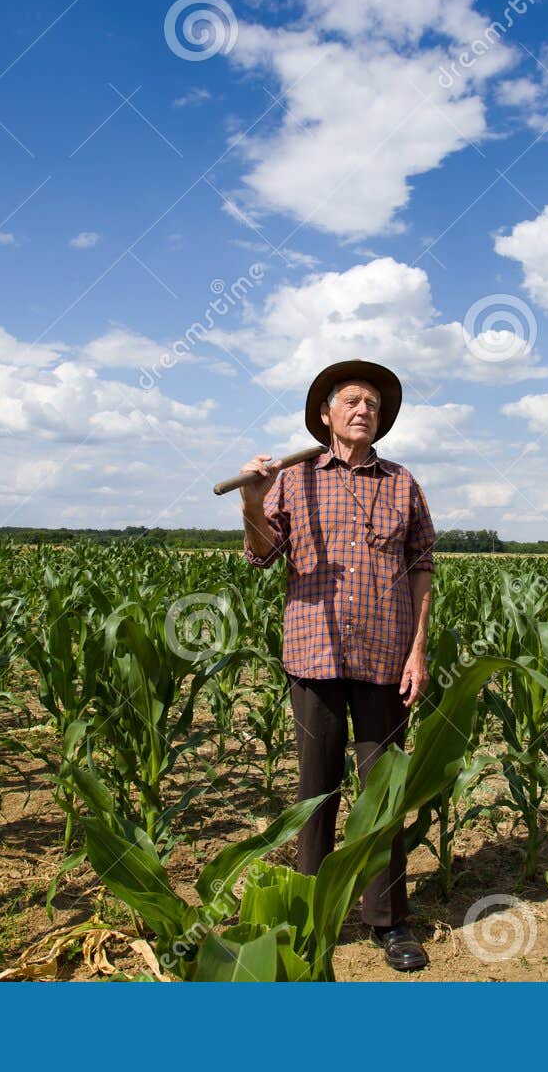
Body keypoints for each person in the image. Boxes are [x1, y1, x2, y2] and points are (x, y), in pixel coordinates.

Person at [237, 358, 436, 972]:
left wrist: (420, 648)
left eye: (372, 404)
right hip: (314, 654)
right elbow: (262, 552)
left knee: (383, 795)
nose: (362, 410)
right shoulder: (293, 480)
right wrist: (251, 495)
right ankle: (312, 913)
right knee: (315, 794)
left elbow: (424, 564)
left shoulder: (402, 482)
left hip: (385, 657)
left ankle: (388, 920)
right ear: (325, 415)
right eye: (350, 400)